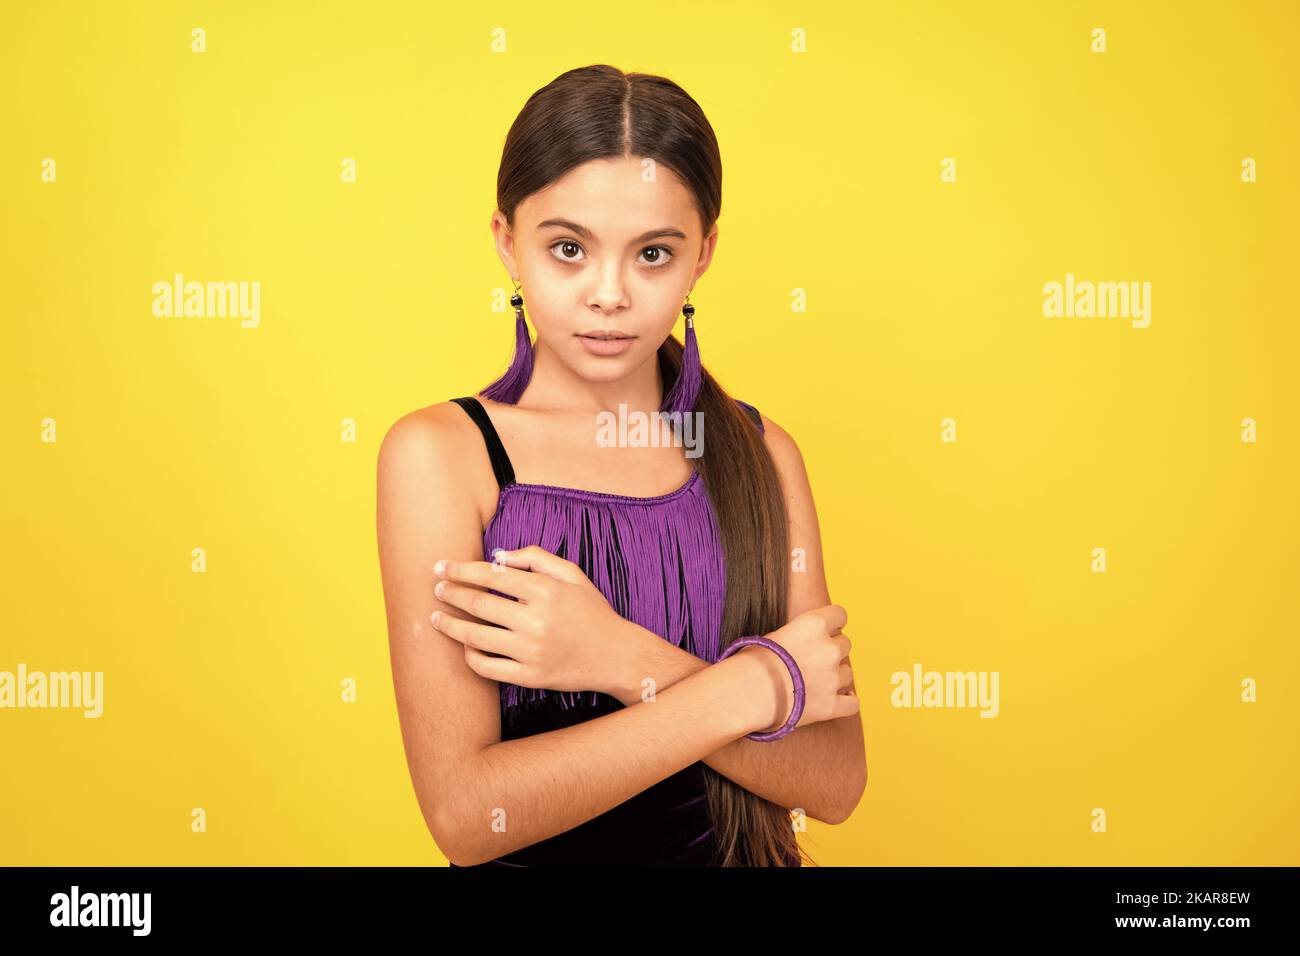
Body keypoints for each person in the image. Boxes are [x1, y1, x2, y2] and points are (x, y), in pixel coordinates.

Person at [376, 64, 866, 867]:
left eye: (652, 254)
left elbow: (836, 783)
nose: (609, 294)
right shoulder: (443, 456)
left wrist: (616, 658)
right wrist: (750, 689)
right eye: (568, 249)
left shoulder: (762, 457)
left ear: (703, 254)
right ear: (507, 243)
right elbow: (467, 817)